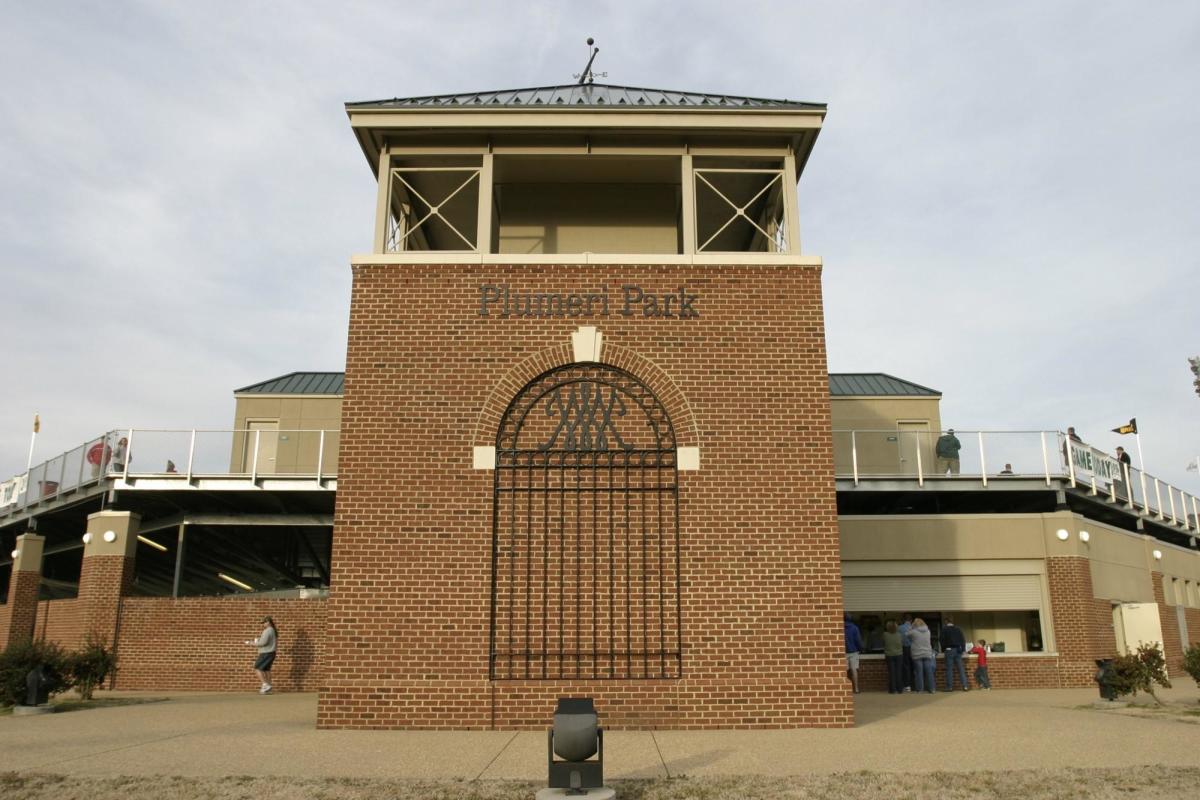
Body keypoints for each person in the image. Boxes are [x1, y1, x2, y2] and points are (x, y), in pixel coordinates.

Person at [245, 616, 278, 694]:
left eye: (264, 622)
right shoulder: (273, 630)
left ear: (268, 622)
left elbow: (263, 643)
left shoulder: (267, 631)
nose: (263, 624)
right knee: (266, 670)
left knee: (257, 667)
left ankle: (265, 685)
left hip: (265, 653)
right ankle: (269, 688)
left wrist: (251, 643)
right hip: (271, 652)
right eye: (263, 623)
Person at [907, 617, 935, 693]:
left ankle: (920, 689)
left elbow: (907, 634)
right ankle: (932, 689)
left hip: (917, 654)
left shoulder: (913, 632)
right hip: (927, 653)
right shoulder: (928, 631)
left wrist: (911, 627)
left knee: (919, 673)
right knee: (929, 672)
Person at [941, 615, 969, 691]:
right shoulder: (958, 629)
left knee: (949, 669)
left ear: (946, 621)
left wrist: (943, 649)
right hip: (958, 650)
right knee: (961, 669)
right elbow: (963, 640)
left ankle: (949, 687)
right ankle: (965, 686)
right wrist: (963, 649)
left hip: (949, 650)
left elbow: (942, 641)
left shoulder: (944, 629)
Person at [883, 620, 904, 694]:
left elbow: (883, 643)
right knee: (899, 672)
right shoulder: (899, 634)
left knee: (891, 673)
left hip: (889, 655)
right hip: (899, 655)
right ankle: (900, 689)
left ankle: (893, 689)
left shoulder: (885, 634)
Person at [844, 612, 864, 694]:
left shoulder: (840, 627)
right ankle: (856, 688)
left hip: (843, 652)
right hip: (854, 652)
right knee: (854, 670)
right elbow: (858, 640)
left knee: (844, 671)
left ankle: (844, 689)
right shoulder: (854, 628)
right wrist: (861, 648)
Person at [898, 613, 914, 692]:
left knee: (906, 667)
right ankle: (915, 685)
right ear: (911, 620)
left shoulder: (899, 628)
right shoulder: (914, 627)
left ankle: (907, 685)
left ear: (903, 620)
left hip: (904, 648)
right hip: (914, 648)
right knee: (915, 666)